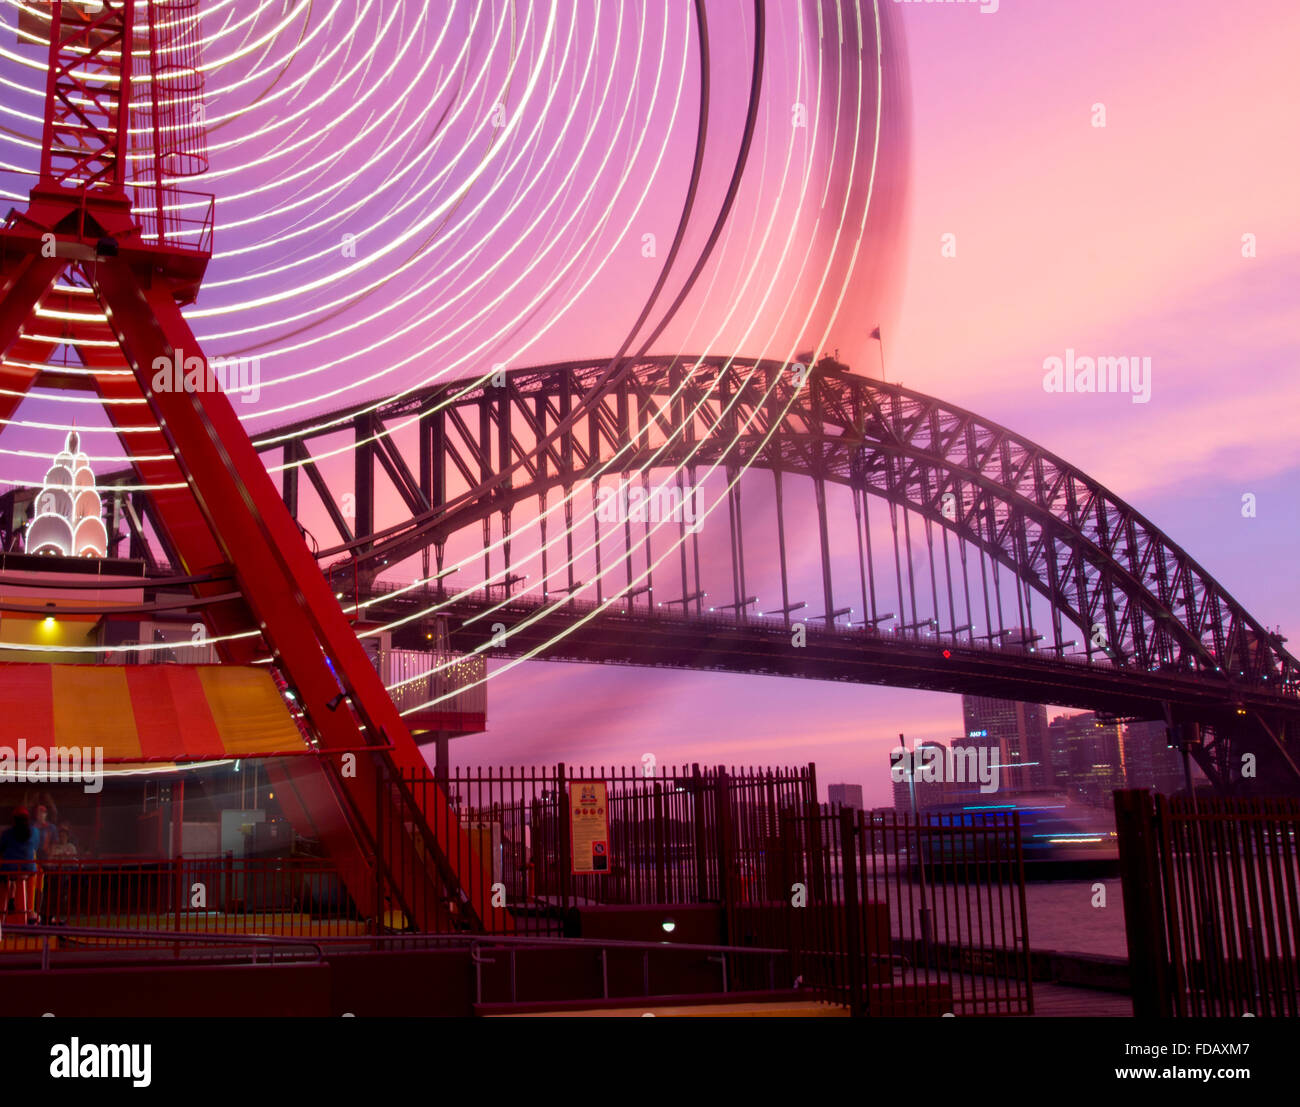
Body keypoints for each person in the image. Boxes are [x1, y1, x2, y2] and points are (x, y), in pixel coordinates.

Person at [0, 806, 40, 922]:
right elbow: (36, 846)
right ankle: (28, 909)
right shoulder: (35, 832)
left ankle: (8, 903)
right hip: (29, 869)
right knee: (14, 877)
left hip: (10, 869)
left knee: (6, 878)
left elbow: (1, 848)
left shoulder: (8, 833)